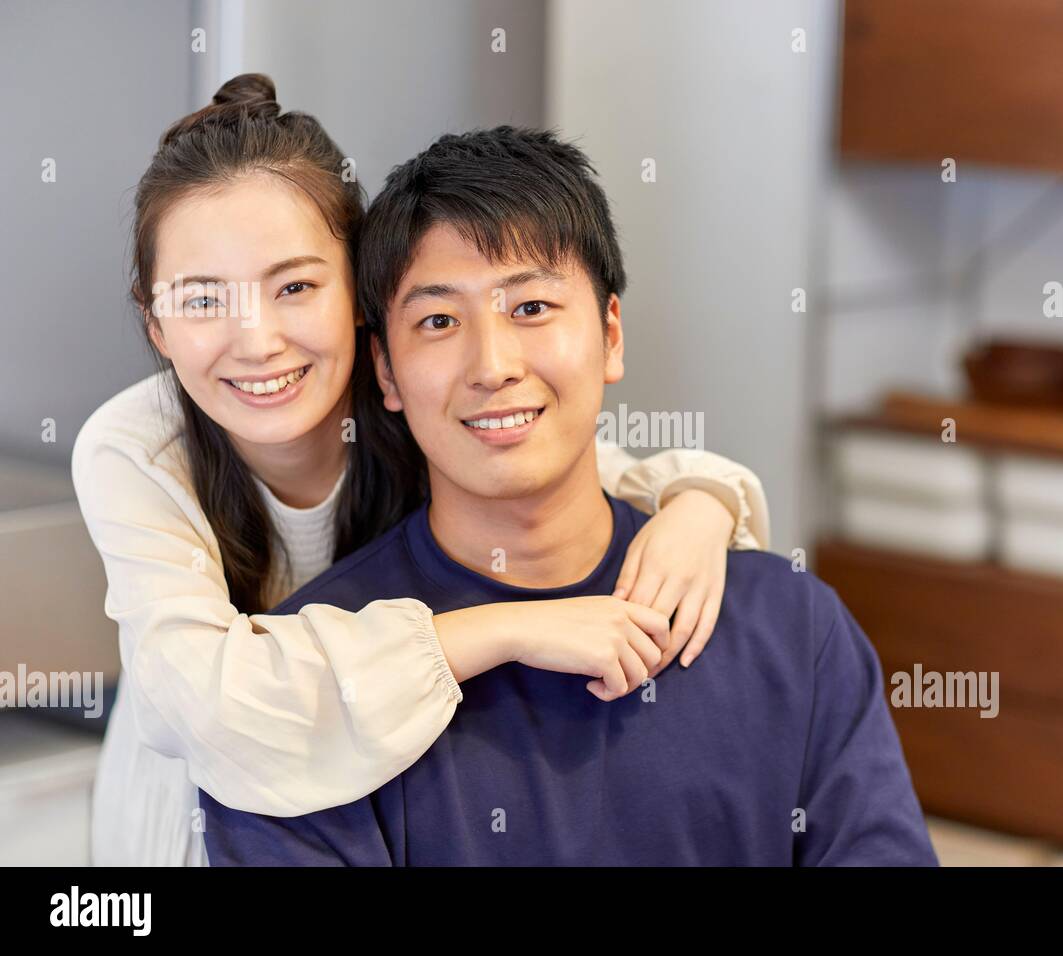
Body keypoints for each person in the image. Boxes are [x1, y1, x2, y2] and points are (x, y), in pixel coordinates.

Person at [71, 75, 772, 867]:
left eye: (296, 286)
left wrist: (702, 503)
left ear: (361, 295)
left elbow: (584, 470)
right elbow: (203, 707)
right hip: (193, 815)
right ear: (153, 321)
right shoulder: (136, 446)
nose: (257, 340)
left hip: (385, 798)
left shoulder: (409, 396)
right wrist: (508, 627)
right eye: (202, 300)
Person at [198, 126, 938, 866]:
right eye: (439, 321)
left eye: (530, 309)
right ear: (386, 373)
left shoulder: (790, 625)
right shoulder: (306, 694)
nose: (493, 365)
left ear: (611, 334)